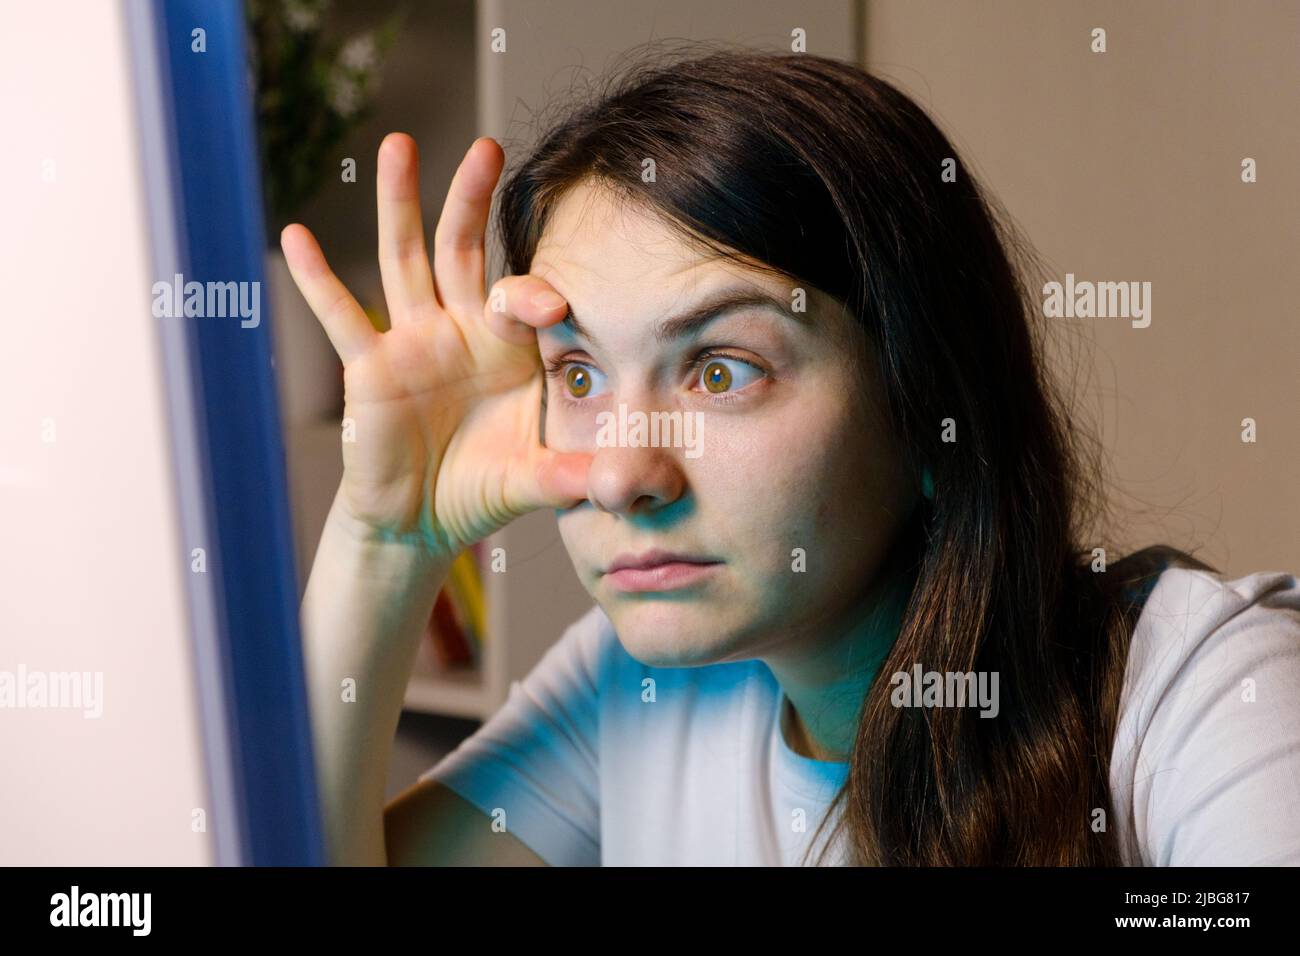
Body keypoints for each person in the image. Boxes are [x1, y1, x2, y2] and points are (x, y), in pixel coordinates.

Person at [283, 48, 1300, 866]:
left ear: (929, 405)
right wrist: (387, 536)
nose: (621, 472)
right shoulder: (630, 689)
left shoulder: (1202, 685)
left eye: (720, 371)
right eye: (580, 376)